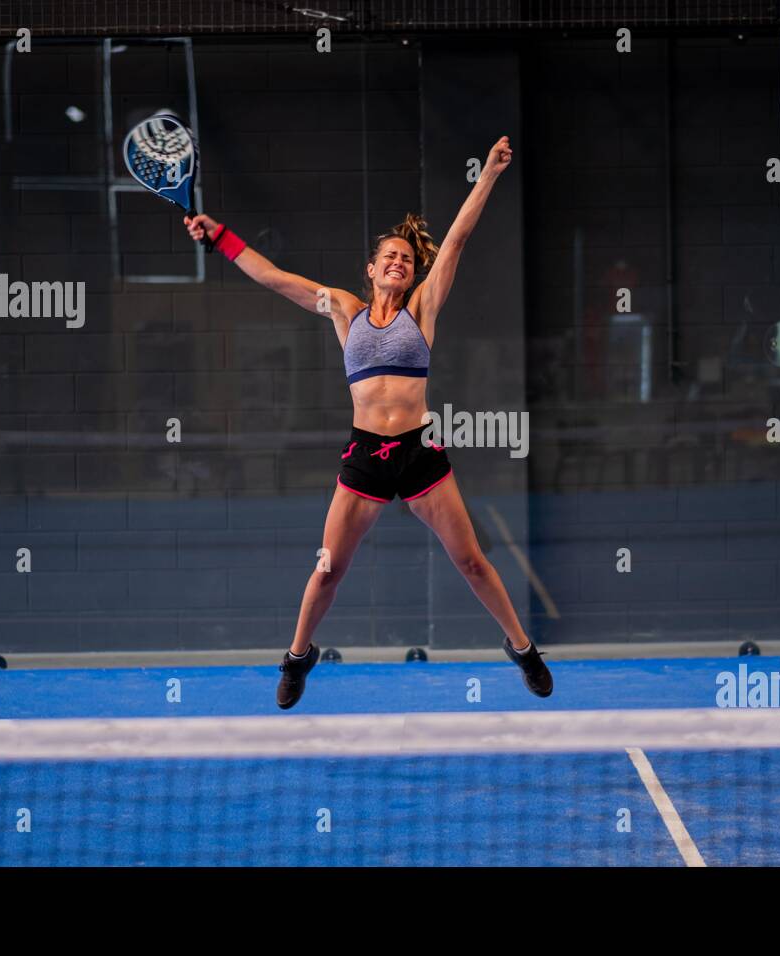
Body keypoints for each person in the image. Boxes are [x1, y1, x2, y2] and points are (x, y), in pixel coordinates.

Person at [183, 135, 552, 709]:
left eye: (407, 258)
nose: (400, 262)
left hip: (419, 453)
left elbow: (455, 239)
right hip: (366, 458)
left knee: (472, 561)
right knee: (328, 569)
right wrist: (221, 238)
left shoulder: (423, 307)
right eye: (391, 257)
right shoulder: (343, 309)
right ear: (372, 269)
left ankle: (524, 649)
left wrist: (489, 176)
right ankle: (298, 658)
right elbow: (276, 277)